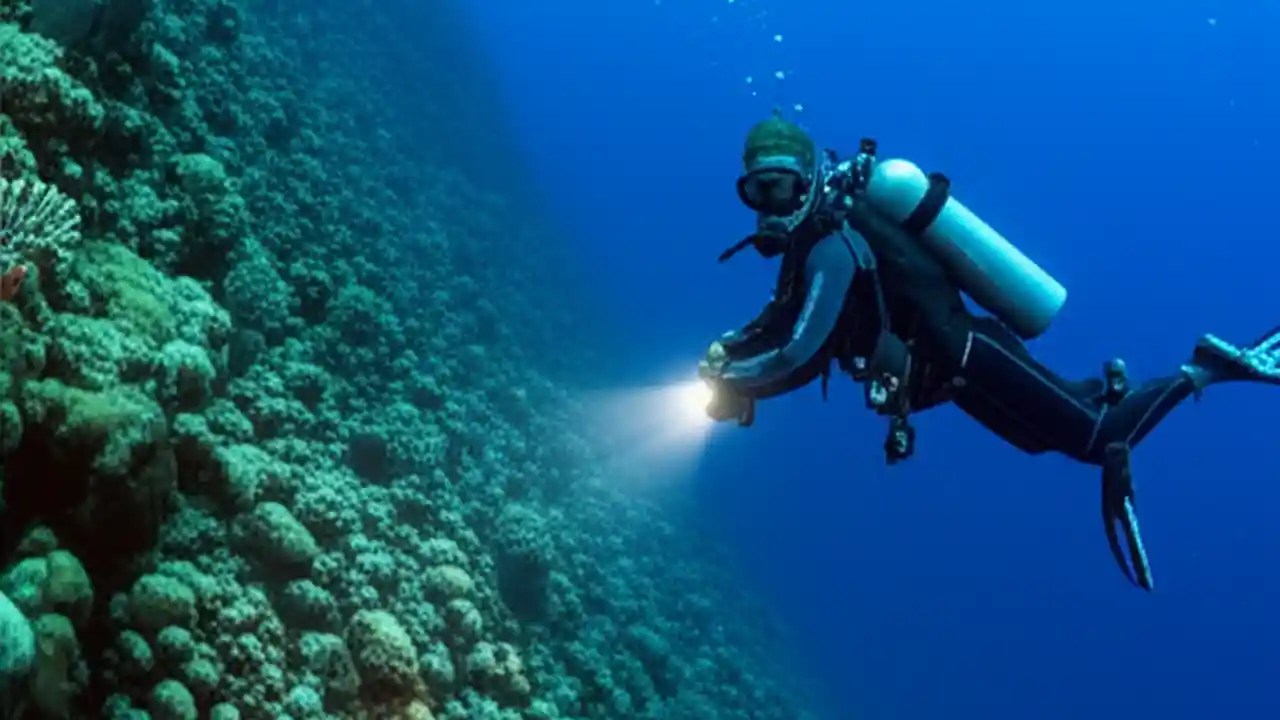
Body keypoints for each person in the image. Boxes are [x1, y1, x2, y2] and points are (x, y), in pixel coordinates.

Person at [697, 110, 1280, 591]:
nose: (767, 205)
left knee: (1098, 438)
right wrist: (731, 350)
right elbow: (783, 318)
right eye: (755, 189)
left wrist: (736, 382)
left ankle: (1203, 370)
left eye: (777, 186)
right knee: (1037, 436)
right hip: (954, 378)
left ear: (807, 178)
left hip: (971, 352)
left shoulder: (832, 242)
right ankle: (1107, 391)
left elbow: (802, 351)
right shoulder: (813, 242)